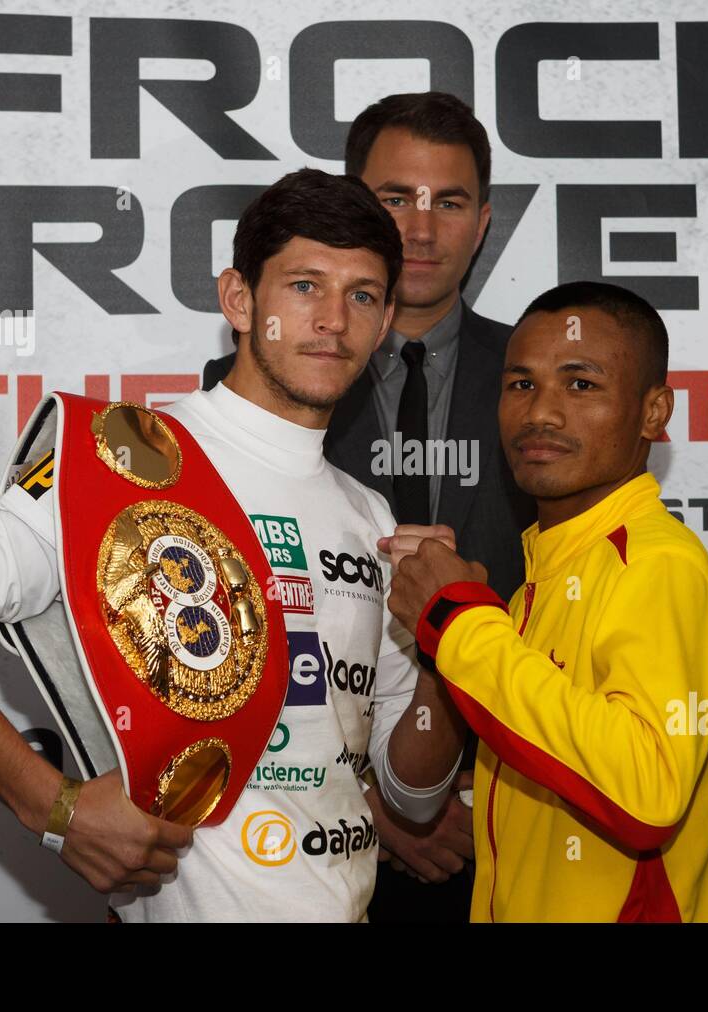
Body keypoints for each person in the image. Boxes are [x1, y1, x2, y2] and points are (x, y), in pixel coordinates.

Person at [0, 168, 467, 922]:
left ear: (383, 328)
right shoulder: (119, 463)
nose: (334, 321)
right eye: (305, 286)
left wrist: (451, 638)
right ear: (240, 300)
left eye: (363, 296)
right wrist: (54, 808)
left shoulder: (368, 514)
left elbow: (411, 794)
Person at [203, 92, 534, 921]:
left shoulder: (538, 381)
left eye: (448, 201)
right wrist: (382, 809)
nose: (421, 229)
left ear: (484, 221)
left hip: (507, 819)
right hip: (288, 834)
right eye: (395, 198)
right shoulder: (249, 396)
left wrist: (429, 784)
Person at [383, 281, 708, 921]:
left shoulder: (657, 564)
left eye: (580, 384)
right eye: (520, 384)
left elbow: (645, 794)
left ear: (653, 413)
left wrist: (458, 621)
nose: (540, 414)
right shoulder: (543, 577)